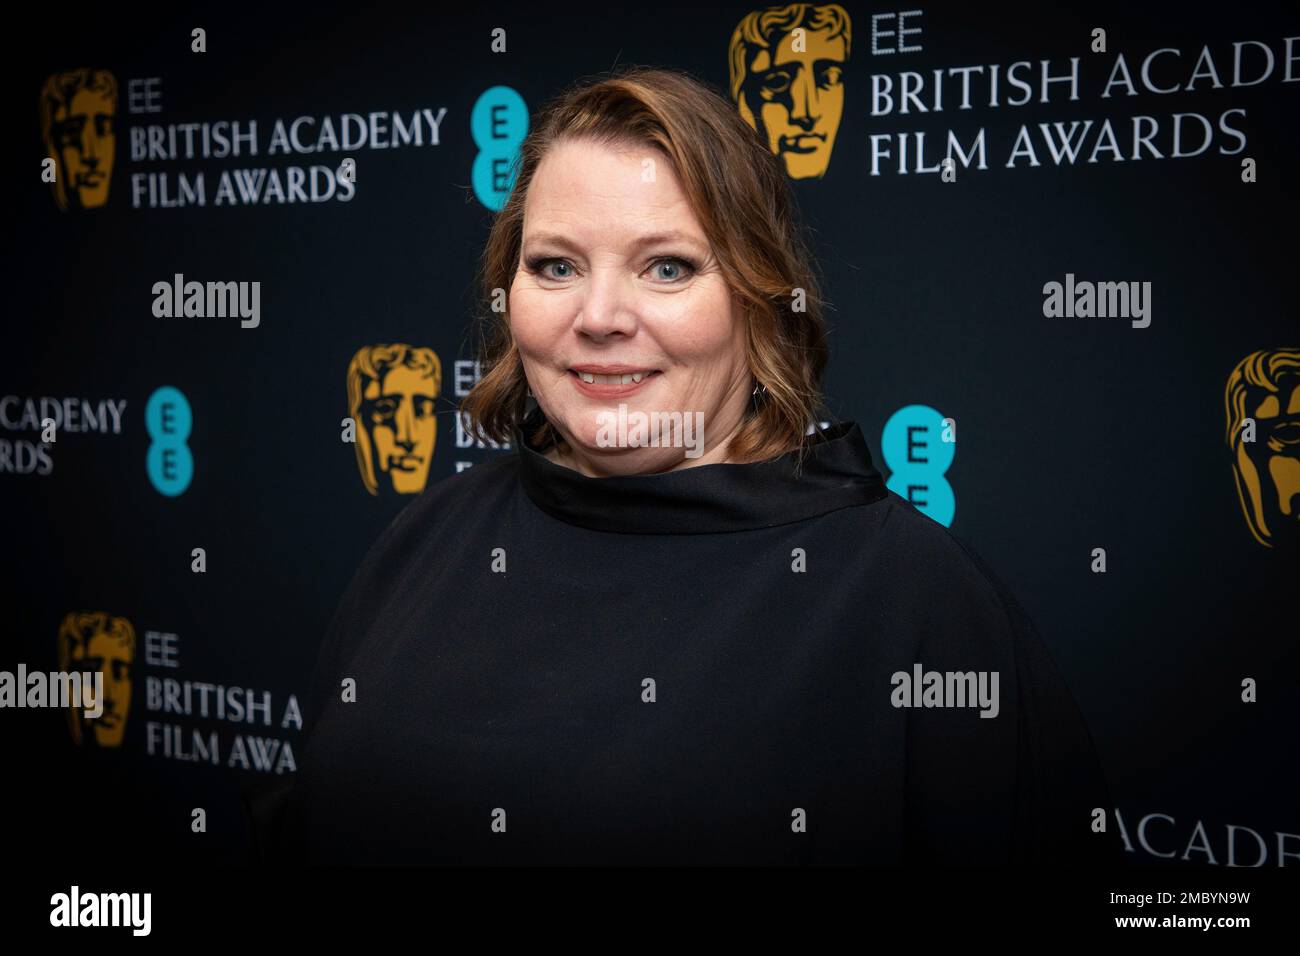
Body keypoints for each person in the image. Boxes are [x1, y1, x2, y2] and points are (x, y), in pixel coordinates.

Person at [248, 65, 1118, 865]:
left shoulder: (907, 595)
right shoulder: (430, 534)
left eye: (667, 267)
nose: (599, 315)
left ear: (759, 296)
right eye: (556, 266)